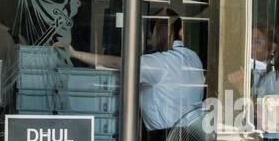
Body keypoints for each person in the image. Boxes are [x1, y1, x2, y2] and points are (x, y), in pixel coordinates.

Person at [58, 9, 205, 133]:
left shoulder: (159, 62)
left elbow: (117, 63)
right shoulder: (193, 57)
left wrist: (76, 54)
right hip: (195, 131)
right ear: (181, 31)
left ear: (152, 34)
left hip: (166, 137)